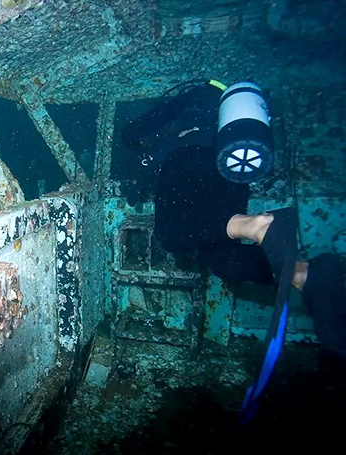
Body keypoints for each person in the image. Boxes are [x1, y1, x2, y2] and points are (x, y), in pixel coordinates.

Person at [118, 80, 346, 362]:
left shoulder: (187, 99)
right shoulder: (229, 120)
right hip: (232, 169)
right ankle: (306, 273)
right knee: (224, 260)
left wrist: (142, 150)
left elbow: (130, 132)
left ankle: (255, 225)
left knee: (169, 232)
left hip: (187, 158)